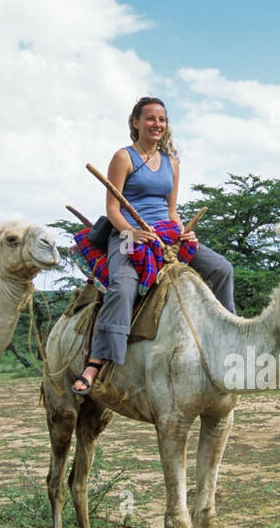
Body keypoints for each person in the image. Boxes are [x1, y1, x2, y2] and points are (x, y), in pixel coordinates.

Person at [72, 96, 235, 394]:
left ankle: (228, 341)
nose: (157, 124)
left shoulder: (172, 162)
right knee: (122, 287)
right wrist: (132, 233)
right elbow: (112, 208)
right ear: (136, 123)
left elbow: (171, 210)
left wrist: (185, 231)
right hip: (126, 234)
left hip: (166, 234)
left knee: (222, 268)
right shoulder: (123, 157)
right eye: (150, 118)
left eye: (162, 119)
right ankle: (97, 362)